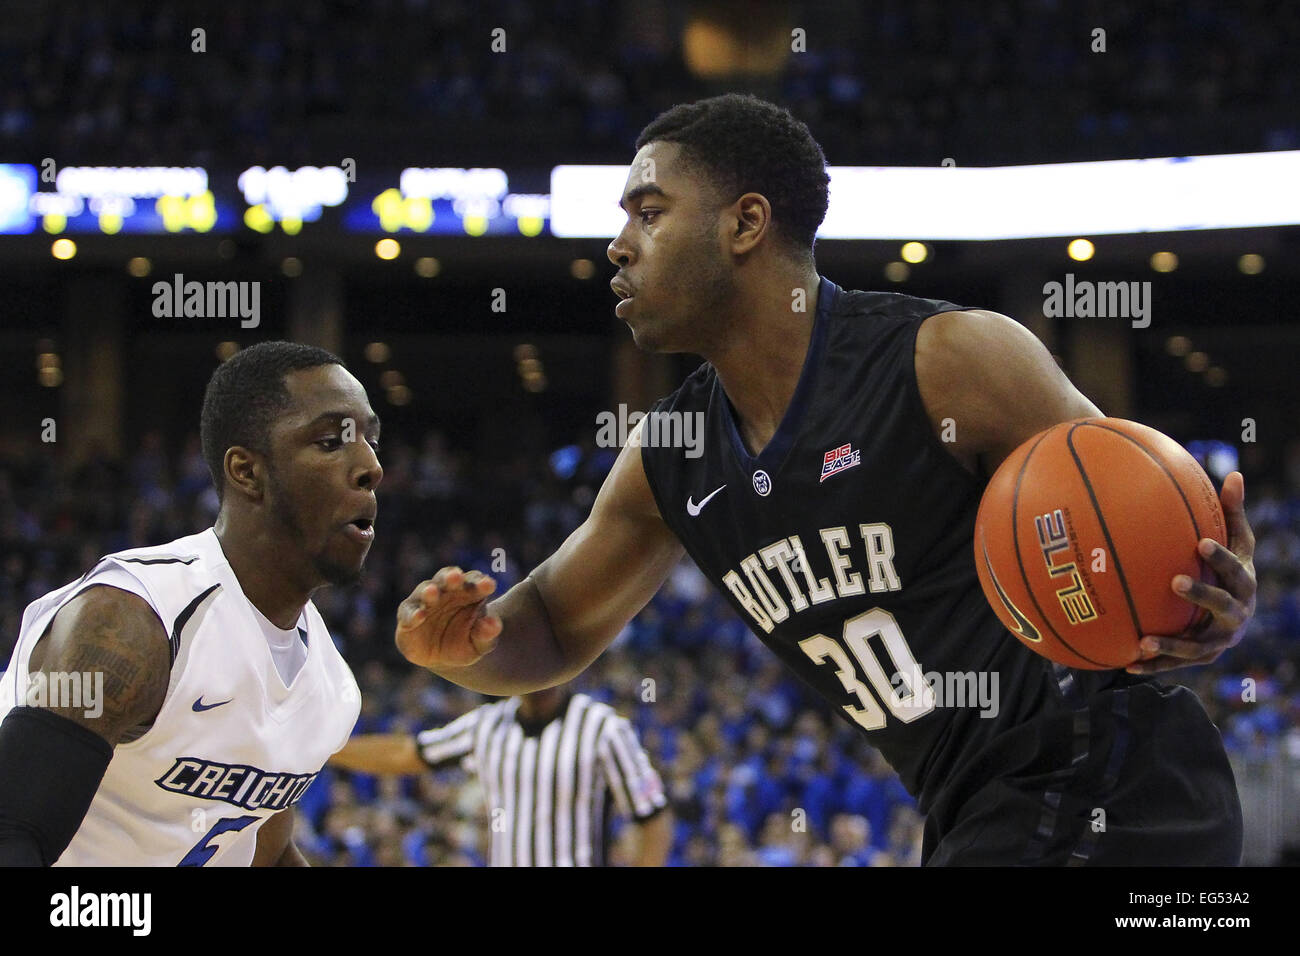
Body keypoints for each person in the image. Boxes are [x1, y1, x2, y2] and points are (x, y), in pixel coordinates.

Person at [394, 94, 1257, 865]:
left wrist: (1207, 591)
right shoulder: (671, 456)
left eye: (649, 213)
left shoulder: (950, 361)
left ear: (746, 224)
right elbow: (548, 624)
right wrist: (470, 648)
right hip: (968, 809)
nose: (618, 246)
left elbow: (1137, 517)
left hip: (1109, 780)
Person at [0, 341, 379, 866]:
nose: (370, 466)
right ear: (247, 472)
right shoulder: (132, 621)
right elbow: (11, 834)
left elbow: (265, 855)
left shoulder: (331, 688)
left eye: (371, 439)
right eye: (331, 441)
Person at [329, 684, 673, 866]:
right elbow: (409, 752)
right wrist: (325, 750)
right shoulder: (487, 724)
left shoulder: (603, 728)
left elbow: (654, 820)